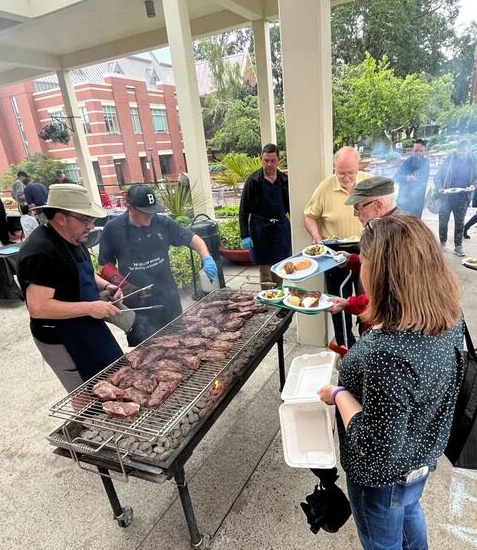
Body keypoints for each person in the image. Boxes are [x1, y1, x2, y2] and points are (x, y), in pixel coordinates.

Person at [315, 214, 465, 550]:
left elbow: (370, 440)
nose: (359, 267)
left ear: (384, 275)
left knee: (382, 547)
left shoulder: (387, 352)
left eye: (364, 261)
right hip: (424, 448)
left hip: (381, 475)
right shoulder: (449, 317)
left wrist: (339, 394)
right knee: (411, 505)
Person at [17, 184, 124, 391]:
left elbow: (81, 271)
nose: (91, 226)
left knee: (116, 377)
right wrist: (91, 308)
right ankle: (89, 424)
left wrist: (107, 285)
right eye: (85, 219)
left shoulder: (73, 237)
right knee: (87, 395)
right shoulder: (41, 252)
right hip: (61, 337)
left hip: (87, 325)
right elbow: (39, 307)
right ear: (61, 218)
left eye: (91, 219)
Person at [98, 184, 218, 346]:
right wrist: (121, 283)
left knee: (180, 343)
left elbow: (192, 238)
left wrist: (206, 257)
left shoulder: (162, 223)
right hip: (137, 304)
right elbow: (104, 264)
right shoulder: (112, 229)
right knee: (146, 350)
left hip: (168, 297)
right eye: (146, 212)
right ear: (130, 208)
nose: (150, 216)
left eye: (152, 211)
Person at [304, 146, 372, 347]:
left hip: (366, 249)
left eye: (350, 172)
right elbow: (309, 215)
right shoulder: (325, 187)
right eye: (340, 172)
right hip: (335, 252)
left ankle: (366, 341)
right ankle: (345, 343)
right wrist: (316, 235)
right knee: (338, 298)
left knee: (367, 297)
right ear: (334, 168)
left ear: (359, 166)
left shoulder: (369, 183)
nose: (345, 177)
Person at [327, 176, 399, 326]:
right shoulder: (386, 226)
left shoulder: (394, 236)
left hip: (387, 325)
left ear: (378, 205)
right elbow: (378, 267)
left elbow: (386, 295)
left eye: (358, 208)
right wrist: (352, 260)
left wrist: (347, 303)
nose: (356, 214)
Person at [238, 143, 290, 288]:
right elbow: (243, 210)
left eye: (272, 161)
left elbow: (291, 206)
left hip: (280, 228)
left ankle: (278, 296)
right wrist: (245, 235)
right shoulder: (253, 181)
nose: (269, 164)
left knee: (280, 267)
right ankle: (267, 301)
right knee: (266, 271)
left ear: (278, 160)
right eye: (266, 160)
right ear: (262, 159)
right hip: (260, 230)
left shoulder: (284, 180)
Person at [433, 139, 477, 257]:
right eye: (459, 150)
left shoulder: (473, 160)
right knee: (443, 220)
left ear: (468, 150)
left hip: (463, 195)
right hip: (447, 195)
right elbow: (438, 176)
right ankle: (442, 242)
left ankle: (458, 246)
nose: (461, 153)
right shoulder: (450, 159)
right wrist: (440, 188)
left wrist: (473, 186)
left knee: (460, 222)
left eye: (463, 151)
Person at [394, 138, 430, 217]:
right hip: (405, 200)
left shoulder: (426, 162)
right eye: (416, 150)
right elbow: (396, 177)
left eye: (421, 151)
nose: (418, 153)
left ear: (424, 150)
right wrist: (406, 178)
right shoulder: (407, 162)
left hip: (418, 200)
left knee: (416, 224)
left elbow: (425, 178)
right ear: (412, 150)